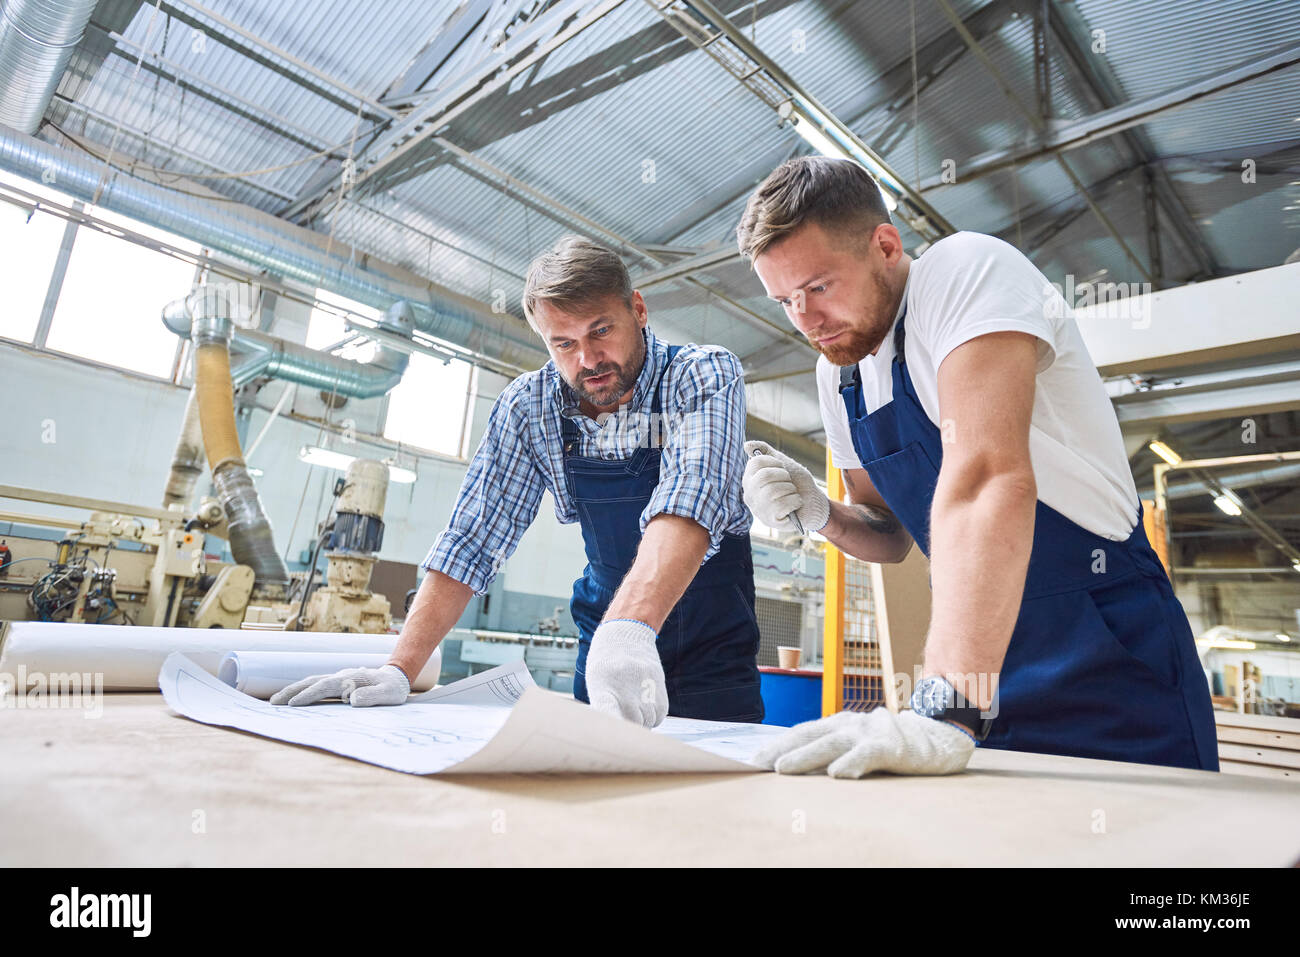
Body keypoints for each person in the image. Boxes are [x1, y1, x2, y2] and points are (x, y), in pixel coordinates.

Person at [736, 156, 1218, 777]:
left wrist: (945, 706)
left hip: (1104, 643)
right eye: (785, 300)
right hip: (981, 662)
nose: (805, 319)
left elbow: (989, 476)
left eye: (819, 287)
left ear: (886, 246)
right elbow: (890, 535)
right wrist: (820, 513)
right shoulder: (839, 377)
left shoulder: (963, 271)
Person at [272, 236, 763, 728]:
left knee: (710, 775)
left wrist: (629, 630)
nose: (588, 360)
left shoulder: (701, 375)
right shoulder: (529, 406)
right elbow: (472, 540)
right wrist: (399, 669)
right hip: (604, 645)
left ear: (637, 310)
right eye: (563, 344)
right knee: (599, 770)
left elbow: (690, 501)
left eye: (601, 330)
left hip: (708, 650)